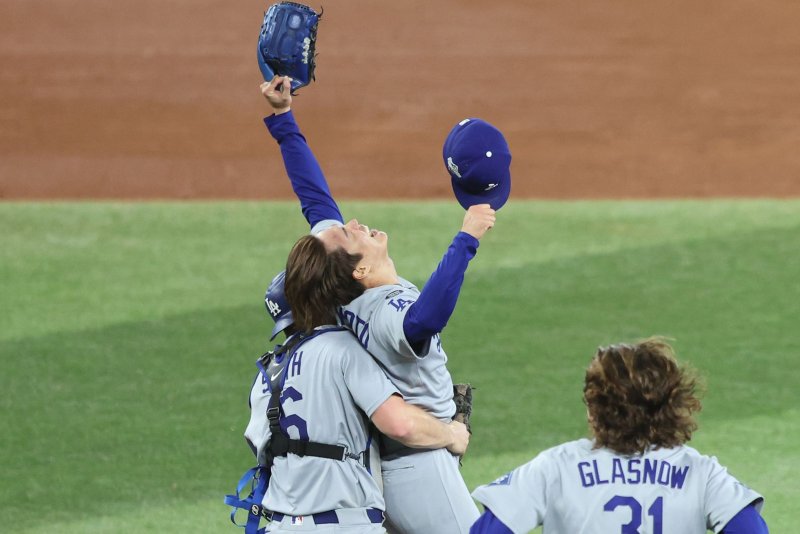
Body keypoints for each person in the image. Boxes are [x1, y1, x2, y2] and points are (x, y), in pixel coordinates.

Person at [259, 75, 509, 533]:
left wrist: (283, 119)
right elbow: (424, 319)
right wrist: (466, 237)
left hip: (382, 469)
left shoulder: (338, 291)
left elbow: (314, 199)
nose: (352, 221)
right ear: (357, 268)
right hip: (419, 463)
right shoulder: (385, 307)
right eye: (350, 234)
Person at [239, 260, 470, 534]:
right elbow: (400, 424)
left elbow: (261, 448)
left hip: (282, 525)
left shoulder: (266, 372)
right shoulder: (343, 348)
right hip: (345, 524)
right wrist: (450, 433)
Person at [470, 338, 769, 534]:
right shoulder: (701, 474)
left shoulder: (555, 468)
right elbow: (751, 529)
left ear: (593, 408)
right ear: (672, 405)